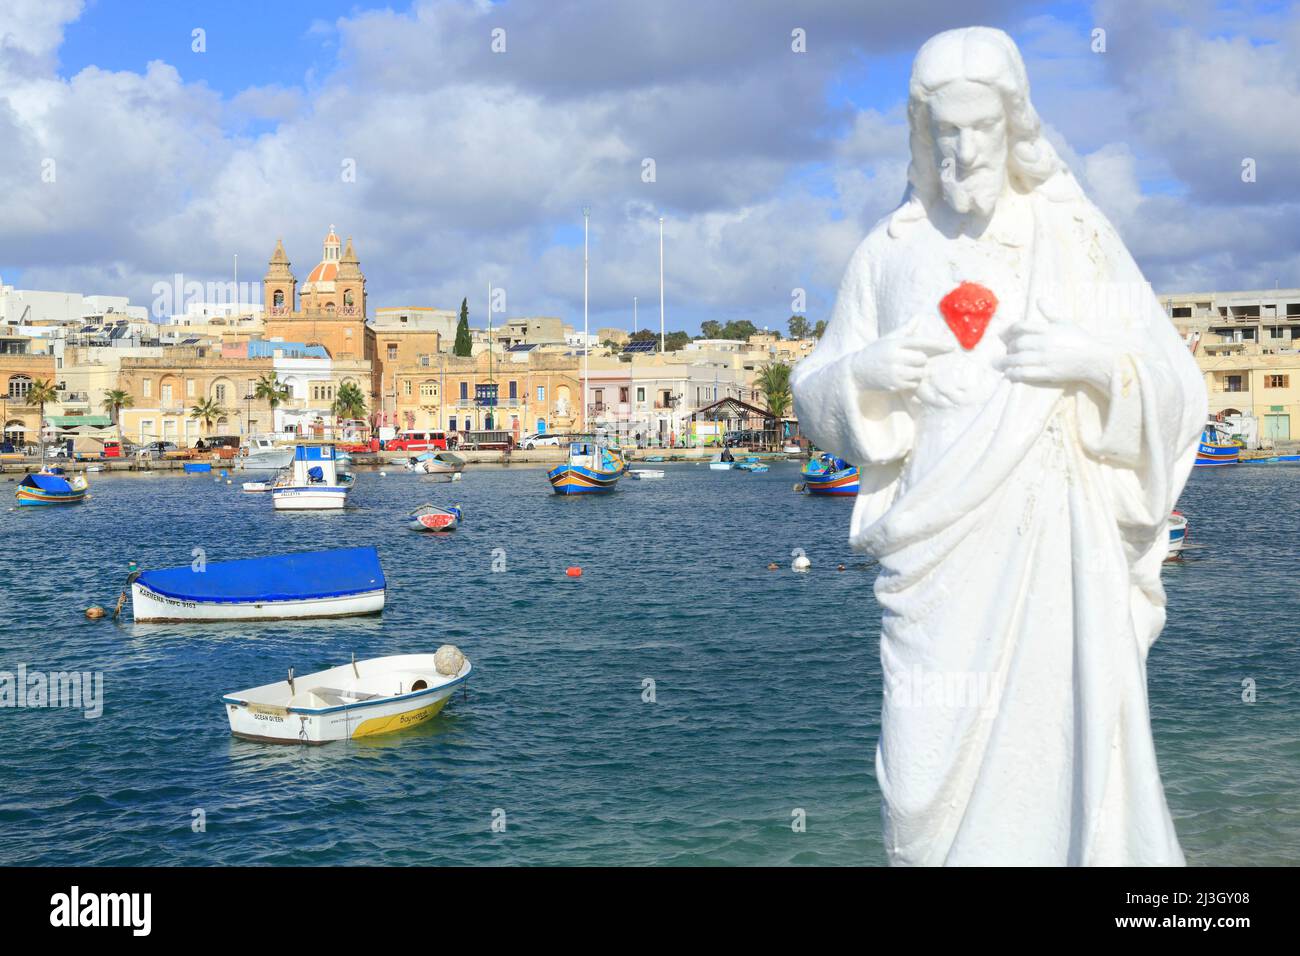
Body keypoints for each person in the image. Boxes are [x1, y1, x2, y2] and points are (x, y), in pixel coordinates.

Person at [791, 28, 1203, 866]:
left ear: (1015, 124)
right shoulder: (890, 253)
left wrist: (1096, 367)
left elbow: (1179, 387)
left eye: (982, 127)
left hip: (1057, 540)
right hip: (934, 561)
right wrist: (865, 373)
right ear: (924, 133)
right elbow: (814, 391)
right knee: (917, 787)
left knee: (1064, 748)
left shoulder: (1076, 234)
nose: (966, 149)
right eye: (947, 132)